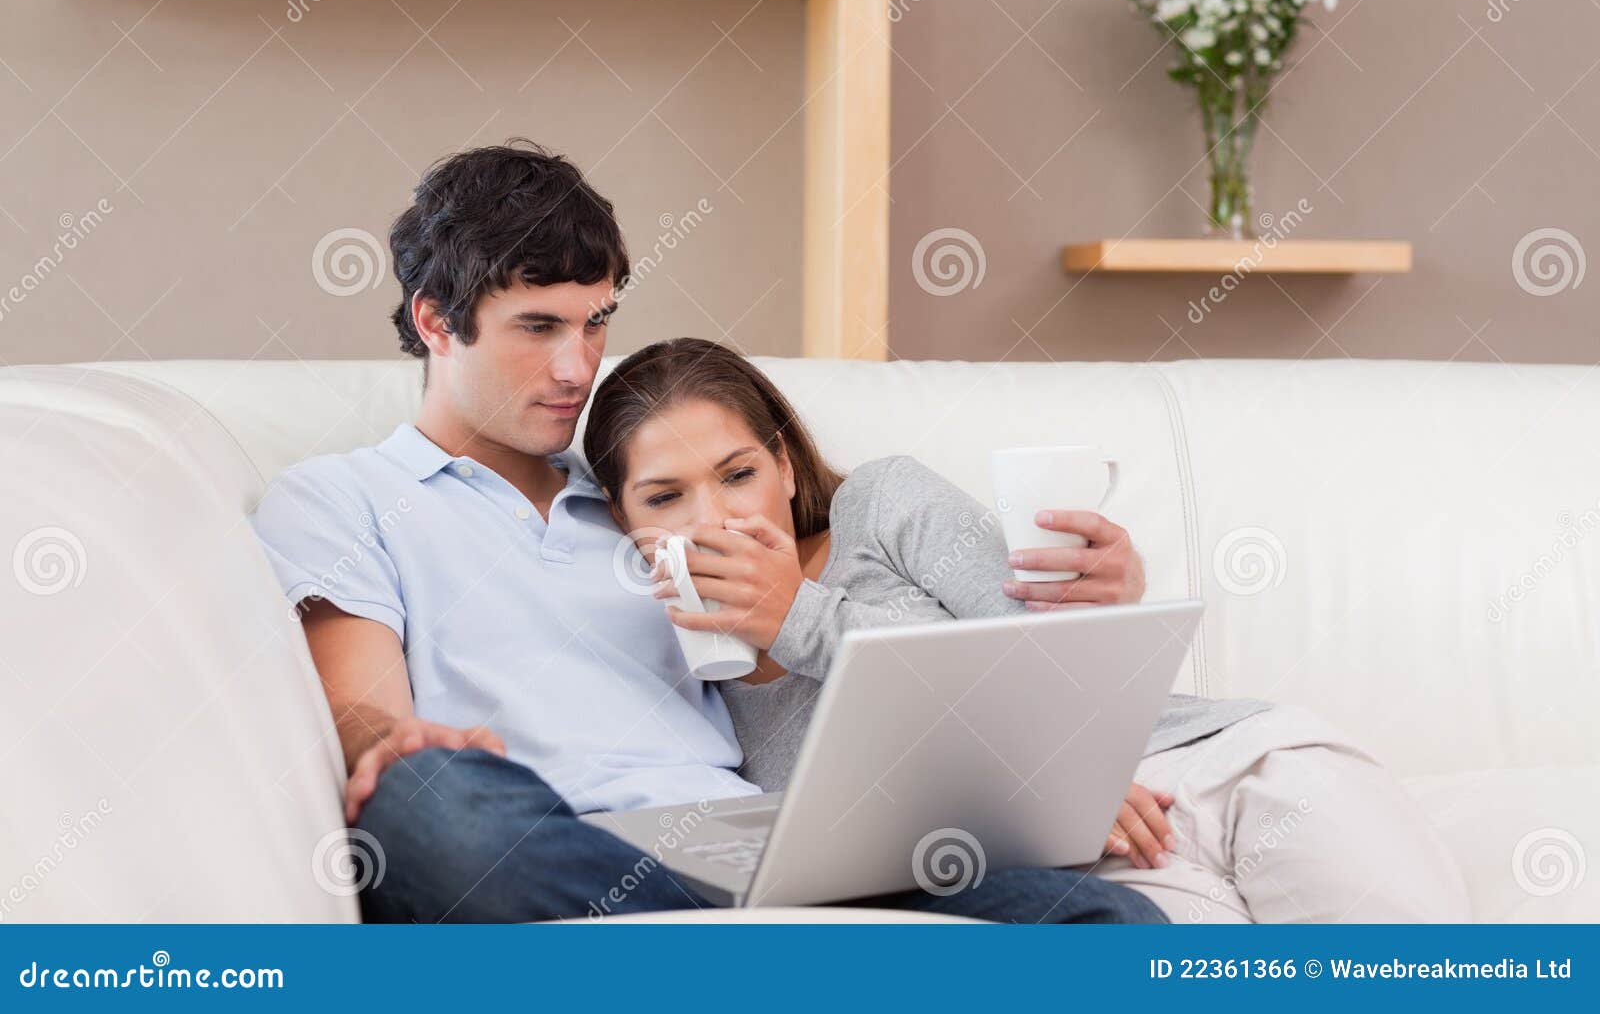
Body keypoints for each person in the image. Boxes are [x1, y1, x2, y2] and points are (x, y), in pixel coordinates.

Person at [249, 139, 1162, 924]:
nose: (577, 368)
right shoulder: (347, 495)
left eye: (595, 322)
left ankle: (727, 959)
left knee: (1104, 915)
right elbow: (359, 710)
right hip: (545, 835)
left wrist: (1078, 625)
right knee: (428, 808)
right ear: (436, 321)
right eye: (537, 327)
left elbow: (903, 651)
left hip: (758, 842)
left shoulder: (644, 492)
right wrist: (392, 744)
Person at [582, 337, 1474, 924]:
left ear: (781, 462)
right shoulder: (684, 695)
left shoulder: (881, 503)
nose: (713, 519)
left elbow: (1047, 663)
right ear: (625, 523)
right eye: (665, 497)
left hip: (1213, 771)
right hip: (1100, 874)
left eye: (737, 473)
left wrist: (799, 614)